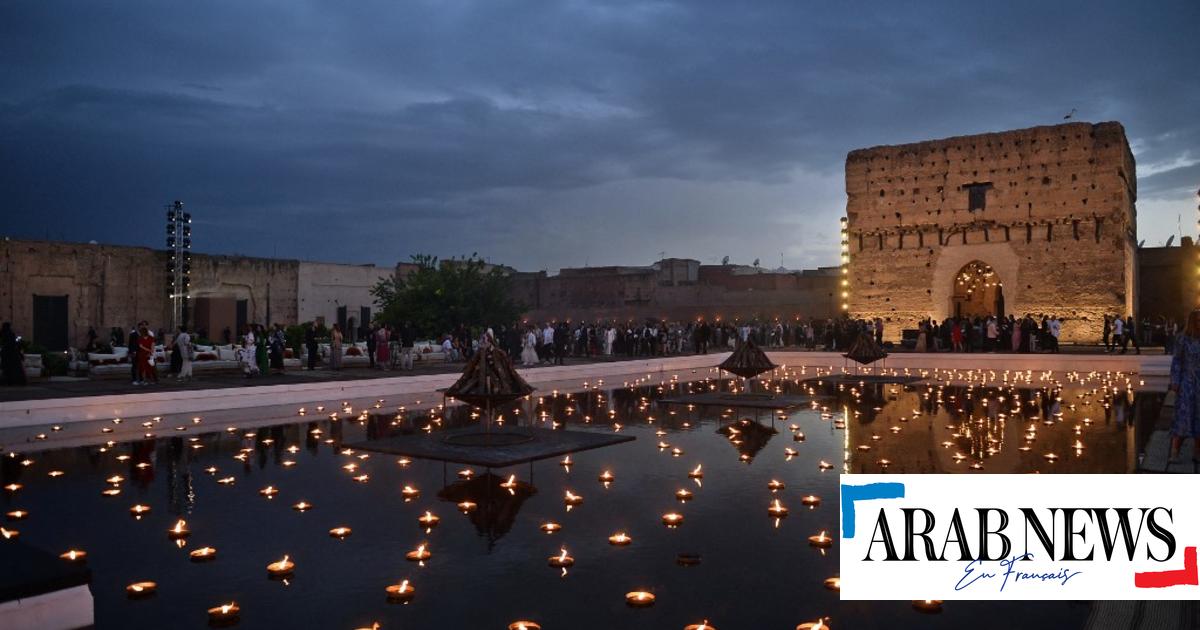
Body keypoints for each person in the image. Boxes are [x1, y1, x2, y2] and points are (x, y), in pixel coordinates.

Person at [1169, 310, 1200, 463]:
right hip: (1187, 381)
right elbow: (1177, 361)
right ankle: (1174, 452)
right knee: (1183, 416)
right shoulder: (1183, 339)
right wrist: (1175, 381)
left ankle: (1197, 452)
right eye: (1198, 320)